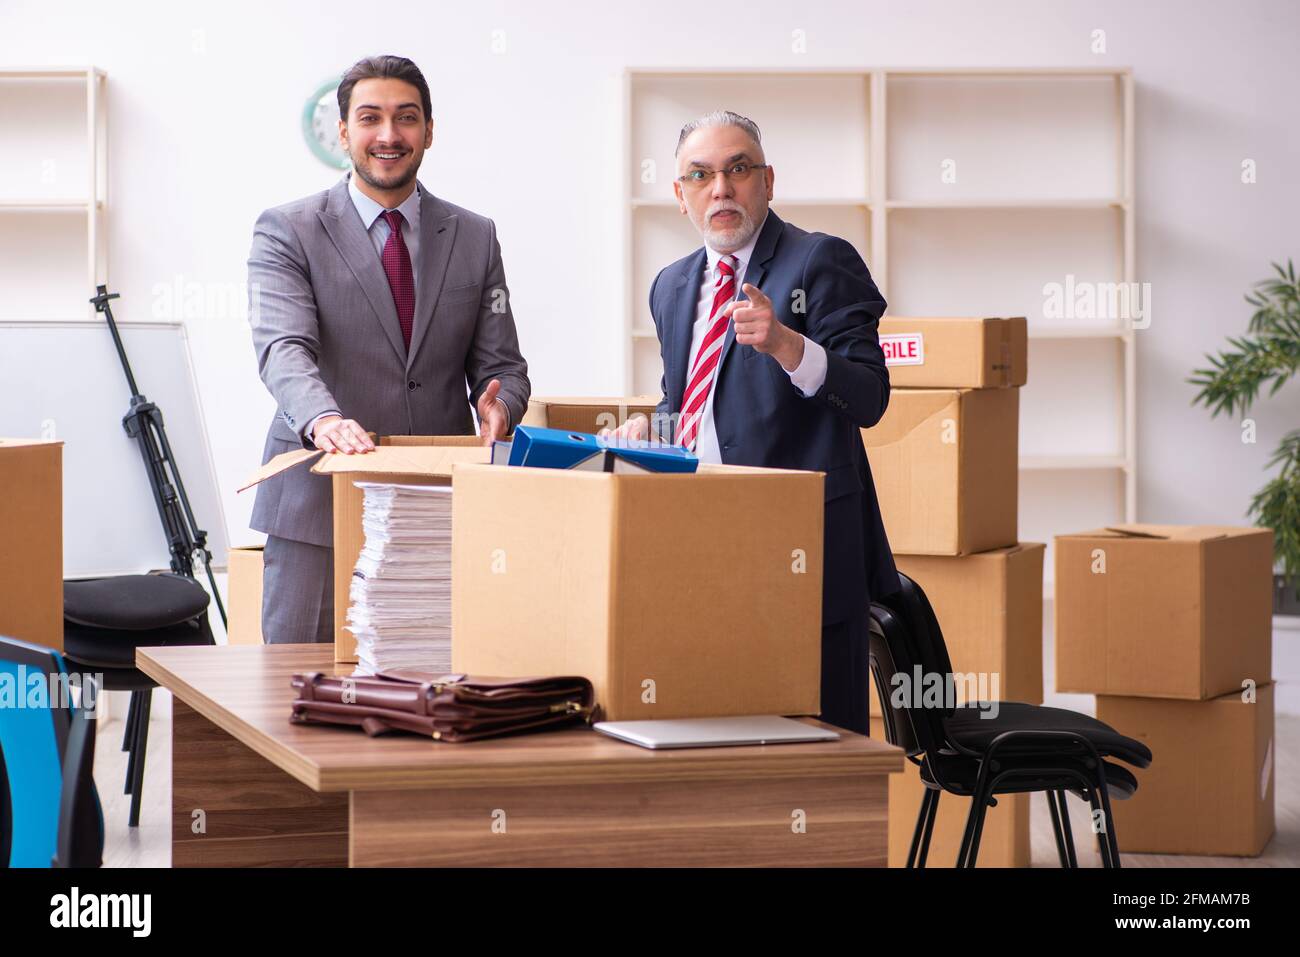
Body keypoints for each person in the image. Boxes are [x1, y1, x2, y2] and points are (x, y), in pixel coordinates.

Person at [612, 110, 896, 734]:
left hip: (801, 553)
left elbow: (871, 398)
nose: (721, 188)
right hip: (700, 547)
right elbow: (686, 404)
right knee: (720, 737)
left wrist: (789, 346)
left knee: (821, 745)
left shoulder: (821, 261)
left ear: (767, 181)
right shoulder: (671, 285)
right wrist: (650, 429)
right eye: (701, 174)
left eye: (738, 169)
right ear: (680, 193)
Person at [247, 54, 530, 644]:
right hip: (317, 498)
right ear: (344, 132)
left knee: (430, 680)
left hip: (434, 501)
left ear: (429, 130)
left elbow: (502, 365)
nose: (388, 135)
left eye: (406, 118)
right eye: (370, 117)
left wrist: (502, 406)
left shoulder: (475, 235)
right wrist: (324, 417)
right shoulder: (288, 229)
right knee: (298, 687)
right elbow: (284, 348)